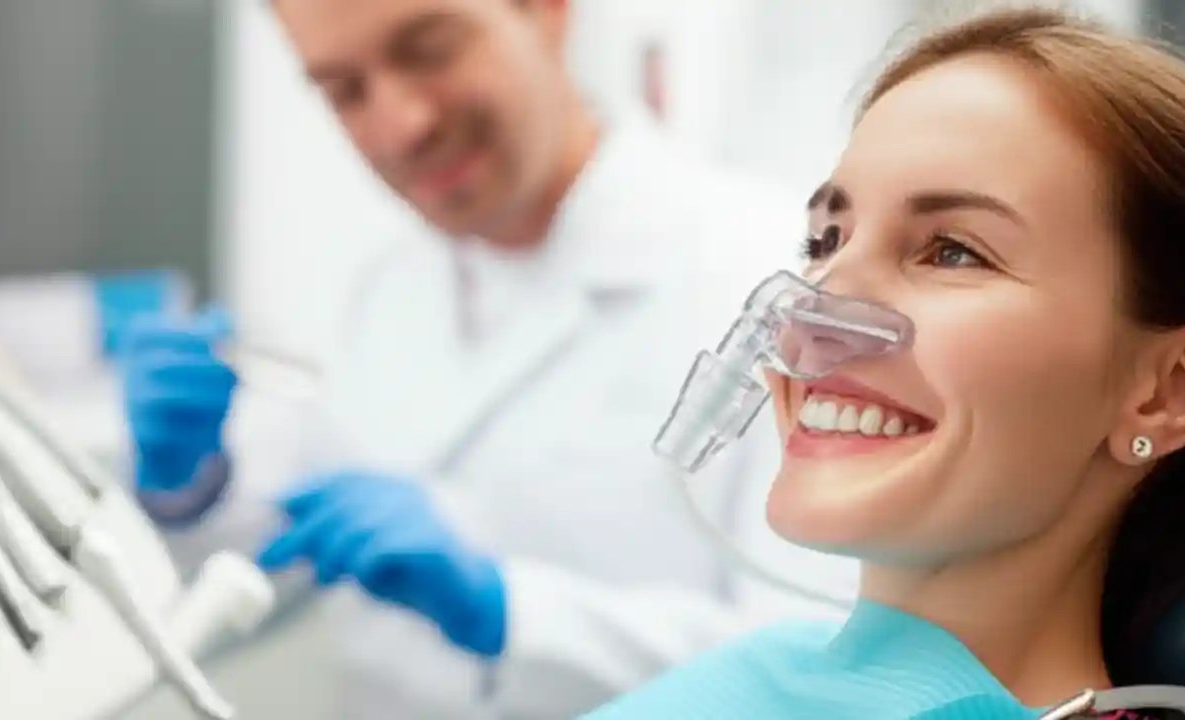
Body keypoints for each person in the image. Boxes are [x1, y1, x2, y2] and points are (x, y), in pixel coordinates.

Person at [118, 0, 857, 717]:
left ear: (546, 10)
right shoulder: (384, 287)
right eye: (344, 91)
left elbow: (824, 667)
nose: (402, 124)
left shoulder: (769, 279)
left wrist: (513, 614)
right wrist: (195, 492)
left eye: (430, 48)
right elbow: (299, 552)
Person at [585, 6, 1185, 719]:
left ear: (1169, 389)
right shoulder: (757, 678)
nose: (807, 324)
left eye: (953, 251)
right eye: (824, 244)